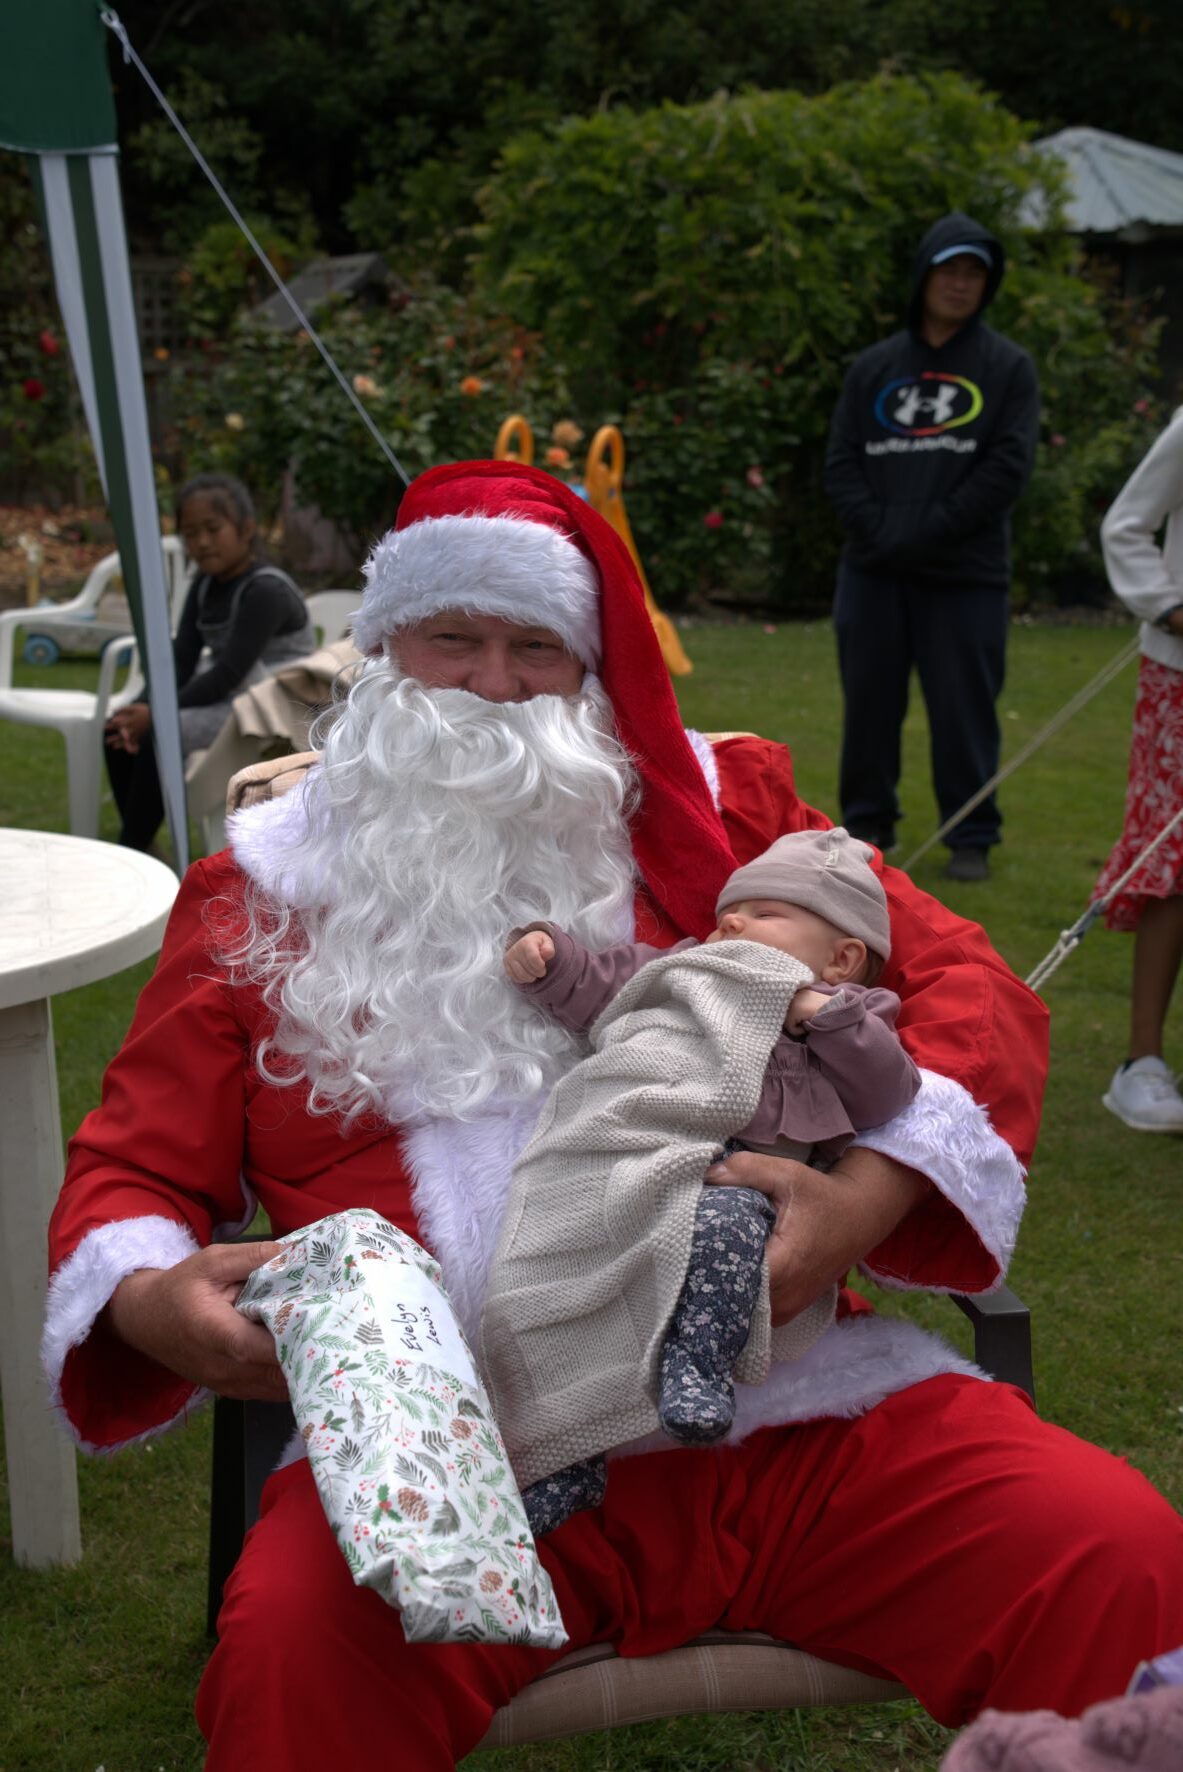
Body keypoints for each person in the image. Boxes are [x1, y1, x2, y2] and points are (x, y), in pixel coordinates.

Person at [41, 462, 1183, 1771]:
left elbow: (967, 991)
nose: (489, 681)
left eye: (535, 648)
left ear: (589, 670)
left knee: (1114, 1558)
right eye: (450, 638)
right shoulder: (250, 900)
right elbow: (131, 1170)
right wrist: (147, 1301)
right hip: (450, 1458)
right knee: (298, 1666)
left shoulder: (728, 826)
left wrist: (864, 1196)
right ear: (384, 652)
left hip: (786, 1403)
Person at [489, 826, 920, 1533]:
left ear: (841, 958)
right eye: (732, 909)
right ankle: (560, 1453)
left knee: (722, 1235)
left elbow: (888, 1094)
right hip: (633, 1162)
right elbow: (601, 989)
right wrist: (548, 957)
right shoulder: (681, 970)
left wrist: (819, 1016)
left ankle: (696, 1364)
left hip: (734, 1183)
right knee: (545, 1275)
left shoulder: (850, 1015)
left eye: (766, 914)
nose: (733, 922)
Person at [824, 211, 1041, 882]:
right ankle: (864, 828)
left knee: (963, 710)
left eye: (973, 272)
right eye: (948, 269)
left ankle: (969, 834)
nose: (959, 283)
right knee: (868, 706)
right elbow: (839, 464)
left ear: (987, 284)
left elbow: (1005, 469)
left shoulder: (1006, 368)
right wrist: (882, 530)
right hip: (874, 572)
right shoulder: (874, 368)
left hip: (964, 576)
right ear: (923, 275)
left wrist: (924, 528)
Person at [103, 472, 315, 851]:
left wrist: (157, 715)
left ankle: (130, 846)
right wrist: (143, 705)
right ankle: (144, 841)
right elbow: (182, 659)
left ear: (246, 528)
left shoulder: (265, 589)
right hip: (233, 696)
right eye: (190, 533)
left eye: (212, 529)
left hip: (275, 706)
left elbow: (227, 673)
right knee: (116, 731)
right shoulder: (204, 585)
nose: (201, 542)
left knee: (160, 733)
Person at [1092, 409, 1183, 1133]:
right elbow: (1126, 524)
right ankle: (1140, 1064)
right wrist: (1170, 607)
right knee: (1171, 863)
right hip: (1178, 679)